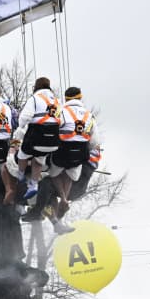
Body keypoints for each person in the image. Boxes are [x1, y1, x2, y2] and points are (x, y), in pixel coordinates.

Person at [47, 86, 97, 233]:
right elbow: (95, 141)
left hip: (60, 153)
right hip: (78, 156)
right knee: (71, 171)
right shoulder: (89, 115)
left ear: (66, 99)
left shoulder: (60, 111)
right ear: (80, 98)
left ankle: (62, 198)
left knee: (54, 172)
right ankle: (65, 198)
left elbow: (52, 130)